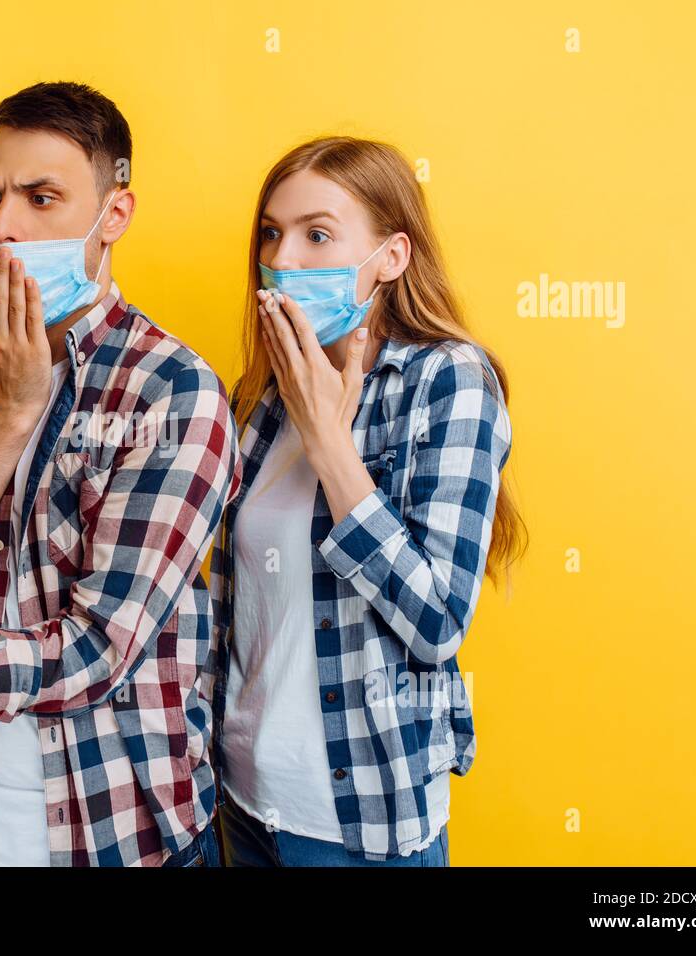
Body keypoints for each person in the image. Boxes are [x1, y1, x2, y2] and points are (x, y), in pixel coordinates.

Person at [0, 81, 240, 867]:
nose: (4, 227)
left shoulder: (172, 390)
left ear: (113, 216)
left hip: (122, 829)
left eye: (41, 197)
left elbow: (101, 649)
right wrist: (12, 414)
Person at [210, 136, 526, 866]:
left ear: (391, 257)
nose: (283, 259)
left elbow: (438, 620)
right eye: (272, 233)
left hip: (360, 822)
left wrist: (329, 442)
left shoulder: (447, 383)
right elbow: (235, 612)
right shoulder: (258, 401)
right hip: (243, 802)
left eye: (317, 234)